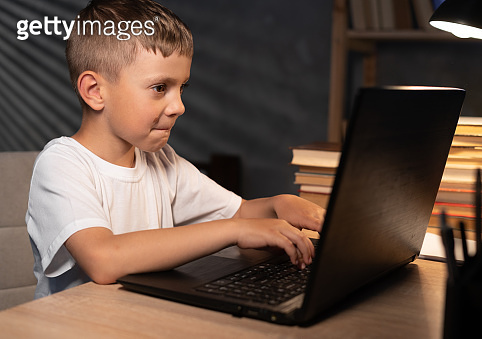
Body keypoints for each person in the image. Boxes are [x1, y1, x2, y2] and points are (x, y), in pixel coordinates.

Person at [26, 0, 325, 299]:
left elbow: (239, 212)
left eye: (182, 88)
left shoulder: (161, 160)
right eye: (160, 88)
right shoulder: (61, 164)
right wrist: (236, 231)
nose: (179, 107)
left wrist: (278, 204)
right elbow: (104, 260)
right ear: (95, 91)